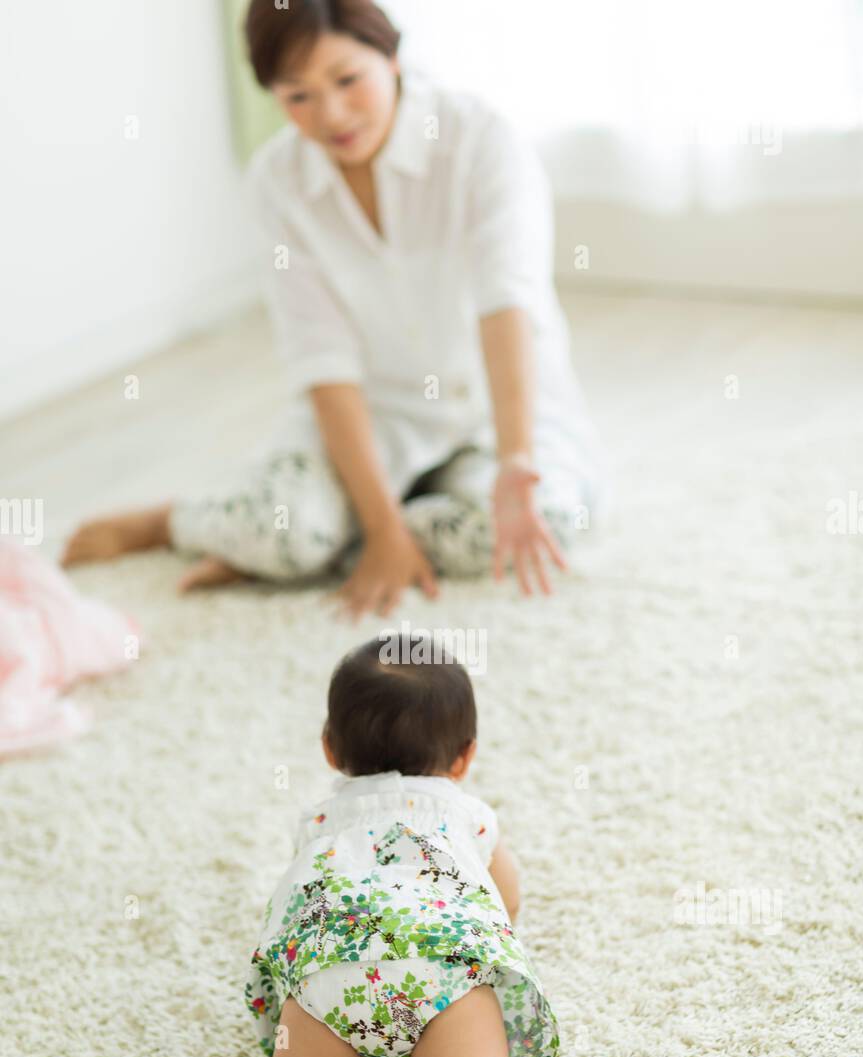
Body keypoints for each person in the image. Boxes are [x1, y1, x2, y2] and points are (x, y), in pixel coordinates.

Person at [63, 0, 604, 619]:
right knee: (292, 535)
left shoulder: (478, 138)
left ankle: (311, 536)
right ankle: (173, 522)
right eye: (298, 96)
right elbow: (323, 359)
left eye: (348, 80)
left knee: (547, 522)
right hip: (376, 419)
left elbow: (506, 301)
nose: (333, 116)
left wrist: (514, 464)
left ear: (392, 57)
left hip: (498, 415)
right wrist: (381, 531)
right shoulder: (278, 182)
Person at [245, 633, 560, 1057]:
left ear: (331, 749)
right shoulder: (468, 815)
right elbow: (508, 897)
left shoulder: (317, 819)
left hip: (331, 977)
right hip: (442, 973)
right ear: (465, 757)